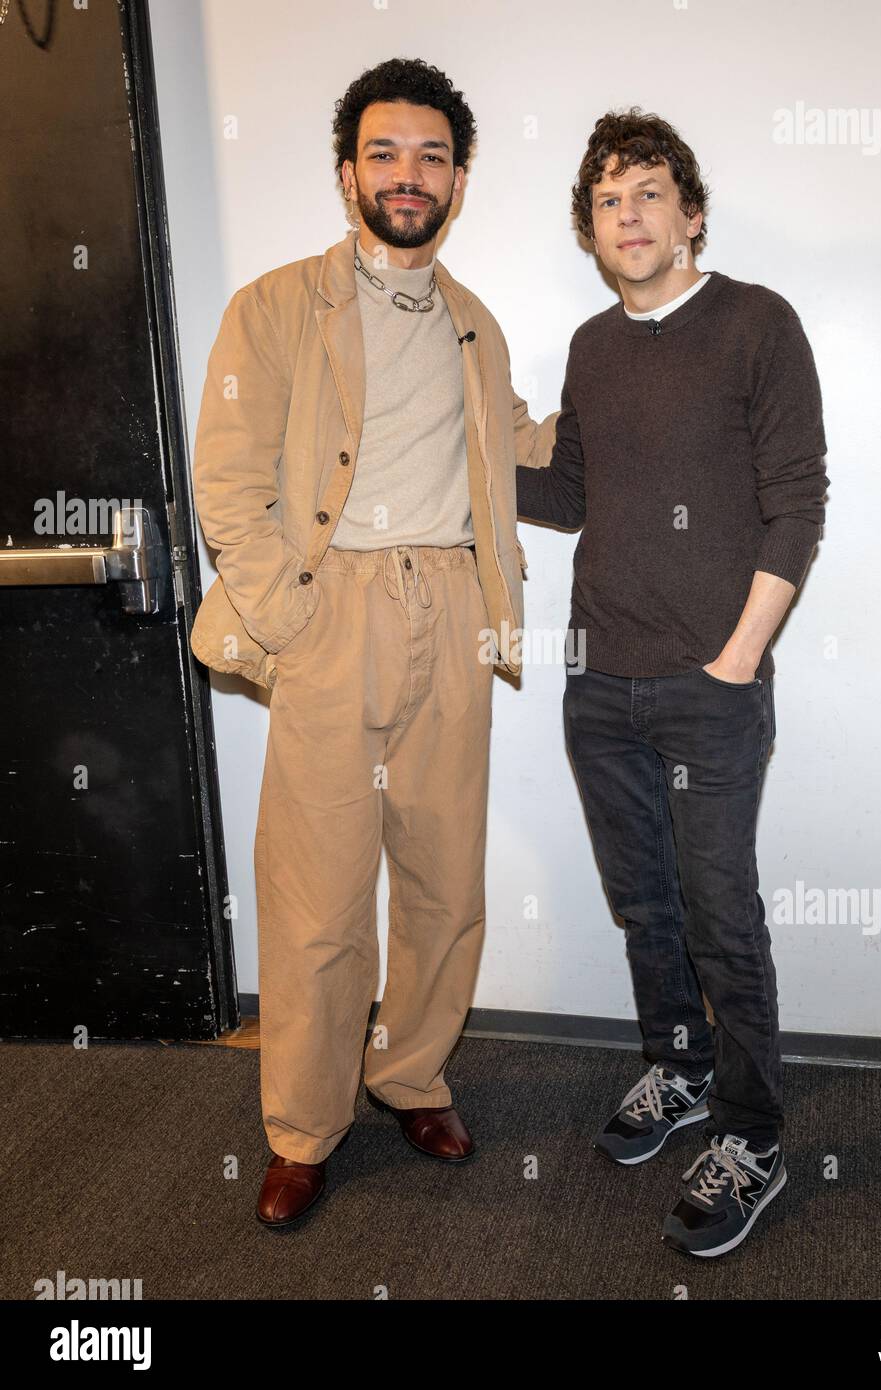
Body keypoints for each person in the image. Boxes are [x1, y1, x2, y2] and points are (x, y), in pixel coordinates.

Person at [190, 57, 556, 1227]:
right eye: (387, 153)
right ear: (348, 171)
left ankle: (409, 1074)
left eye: (434, 156)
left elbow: (520, 447)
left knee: (445, 884)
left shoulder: (474, 326)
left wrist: (657, 389)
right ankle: (302, 1126)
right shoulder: (274, 304)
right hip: (330, 615)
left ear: (460, 179)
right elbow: (227, 480)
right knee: (317, 894)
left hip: (451, 613)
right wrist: (292, 621)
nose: (411, 175)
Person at [517, 108, 829, 1257]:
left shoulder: (756, 323)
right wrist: (478, 446)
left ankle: (753, 1131)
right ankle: (678, 1069)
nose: (628, 214)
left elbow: (798, 498)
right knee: (643, 900)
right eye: (606, 200)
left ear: (689, 214)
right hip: (598, 679)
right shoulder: (593, 347)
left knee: (719, 912)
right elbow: (572, 493)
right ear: (590, 232)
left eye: (647, 192)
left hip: (710, 684)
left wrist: (737, 656)